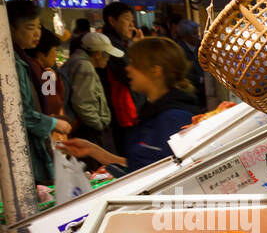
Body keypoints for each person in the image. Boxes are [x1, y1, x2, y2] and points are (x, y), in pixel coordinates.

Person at [57, 37, 199, 174]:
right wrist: (93, 151)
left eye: (134, 64)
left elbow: (164, 174)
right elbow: (143, 165)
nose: (128, 69)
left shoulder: (174, 117)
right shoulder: (155, 110)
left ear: (155, 70)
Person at [5, 0, 70, 185]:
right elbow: (36, 108)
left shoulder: (39, 70)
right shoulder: (28, 68)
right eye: (30, 27)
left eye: (39, 27)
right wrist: (54, 122)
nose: (37, 33)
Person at [63, 30, 119, 154]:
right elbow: (82, 103)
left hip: (83, 126)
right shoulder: (85, 67)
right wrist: (99, 124)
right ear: (98, 54)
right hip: (87, 129)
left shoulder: (75, 60)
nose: (108, 59)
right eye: (107, 54)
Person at [102, 1, 142, 152]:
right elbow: (128, 76)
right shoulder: (110, 46)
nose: (132, 25)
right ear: (112, 21)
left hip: (126, 111)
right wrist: (136, 48)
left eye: (132, 20)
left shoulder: (120, 43)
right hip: (121, 113)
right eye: (127, 19)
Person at [24, 27, 66, 118]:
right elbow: (54, 106)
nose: (56, 54)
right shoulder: (39, 71)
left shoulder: (45, 71)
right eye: (55, 50)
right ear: (41, 53)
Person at [171, 19, 205, 99]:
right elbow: (181, 73)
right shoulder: (178, 51)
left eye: (198, 33)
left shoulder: (202, 46)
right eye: (195, 34)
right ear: (186, 36)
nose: (198, 36)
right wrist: (200, 79)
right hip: (190, 91)